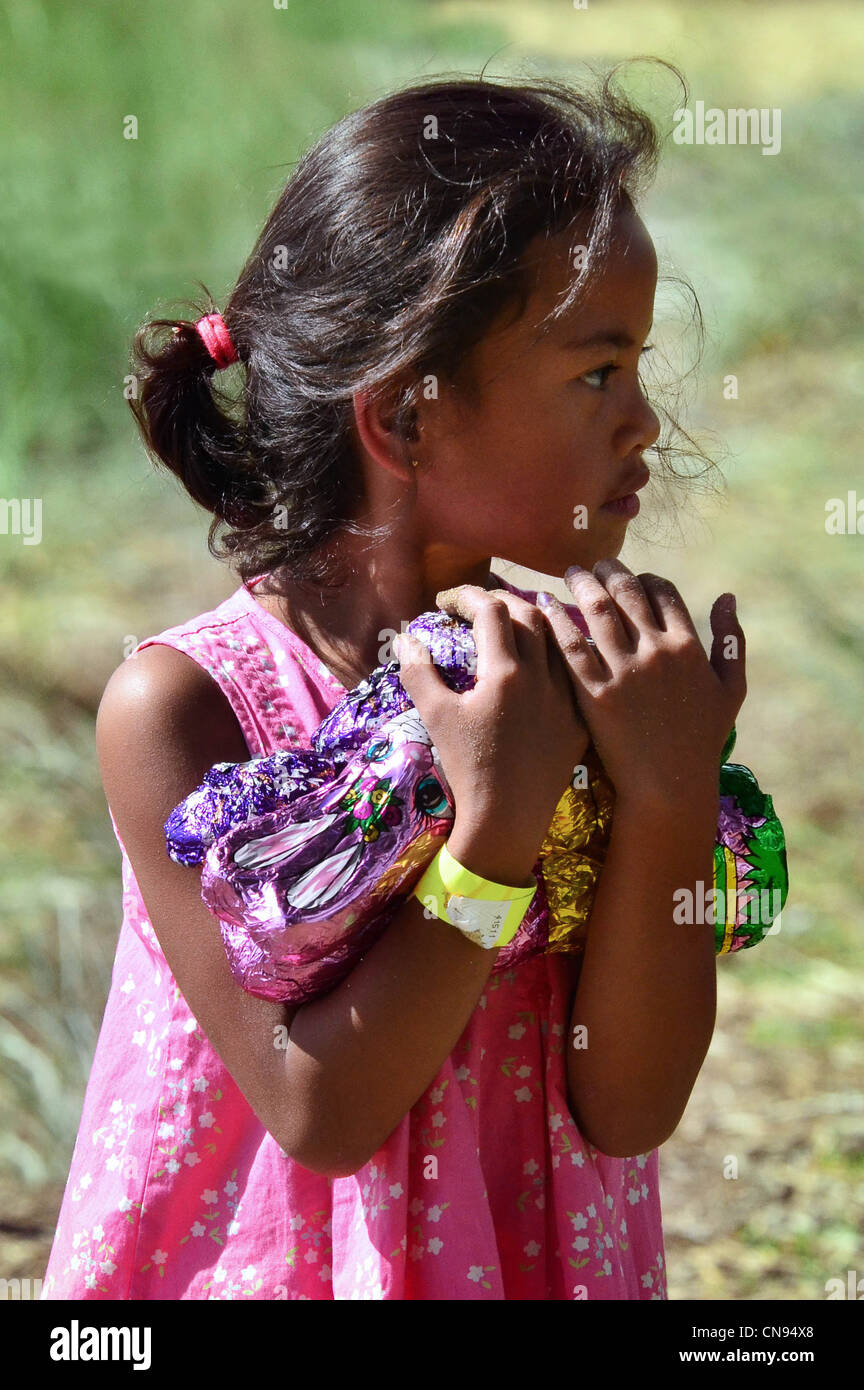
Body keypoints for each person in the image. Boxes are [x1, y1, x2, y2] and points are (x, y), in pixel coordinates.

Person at [42, 70, 746, 1300]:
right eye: (597, 373)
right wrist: (496, 832)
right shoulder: (189, 709)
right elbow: (320, 1111)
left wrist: (672, 796)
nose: (644, 424)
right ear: (407, 420)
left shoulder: (584, 682)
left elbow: (630, 1109)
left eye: (636, 368)